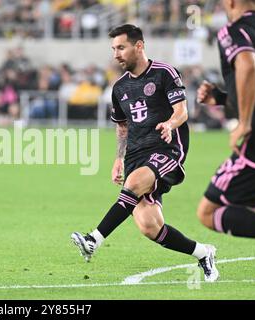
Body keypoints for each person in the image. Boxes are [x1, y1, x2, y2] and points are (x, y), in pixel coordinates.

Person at [71, 24, 219, 282]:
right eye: (113, 48)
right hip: (136, 156)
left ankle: (93, 238)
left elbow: (182, 111)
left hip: (167, 150)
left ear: (138, 46)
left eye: (121, 47)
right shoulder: (118, 88)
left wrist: (170, 125)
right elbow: (122, 126)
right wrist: (118, 158)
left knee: (134, 183)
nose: (116, 54)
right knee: (150, 227)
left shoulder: (164, 73)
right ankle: (203, 253)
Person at [196, 0, 255, 239]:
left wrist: (245, 122)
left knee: (209, 212)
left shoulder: (234, 30)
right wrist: (220, 98)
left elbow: (248, 66)